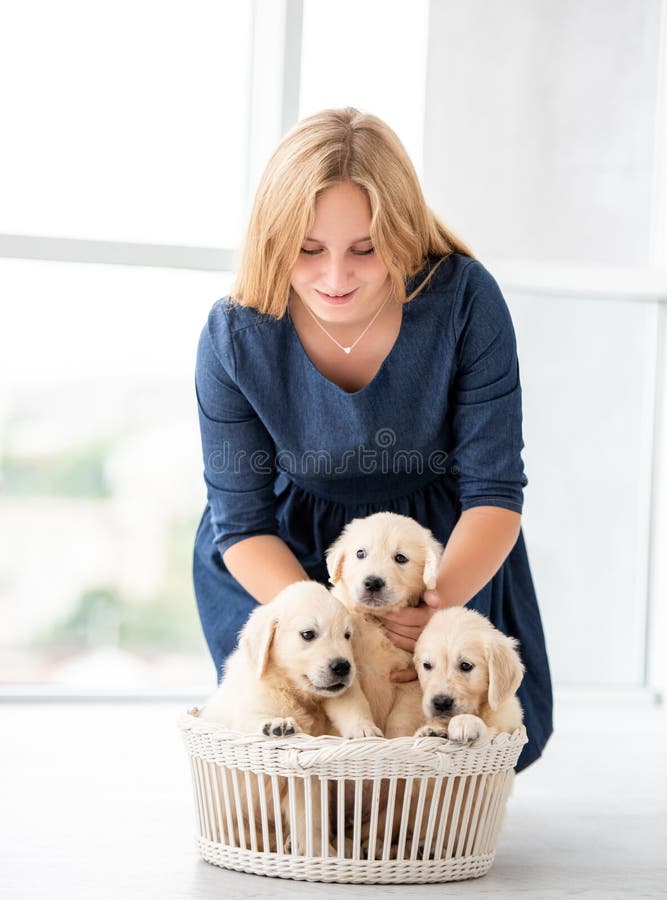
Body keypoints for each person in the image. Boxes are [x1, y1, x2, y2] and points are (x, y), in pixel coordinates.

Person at [193, 106, 552, 772]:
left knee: (478, 743)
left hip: (438, 551)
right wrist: (331, 623)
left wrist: (434, 606)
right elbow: (239, 522)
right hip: (285, 554)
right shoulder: (234, 336)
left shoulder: (465, 301)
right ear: (274, 240)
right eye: (307, 249)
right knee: (295, 736)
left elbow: (495, 490)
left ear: (403, 233)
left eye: (365, 249)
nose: (335, 278)